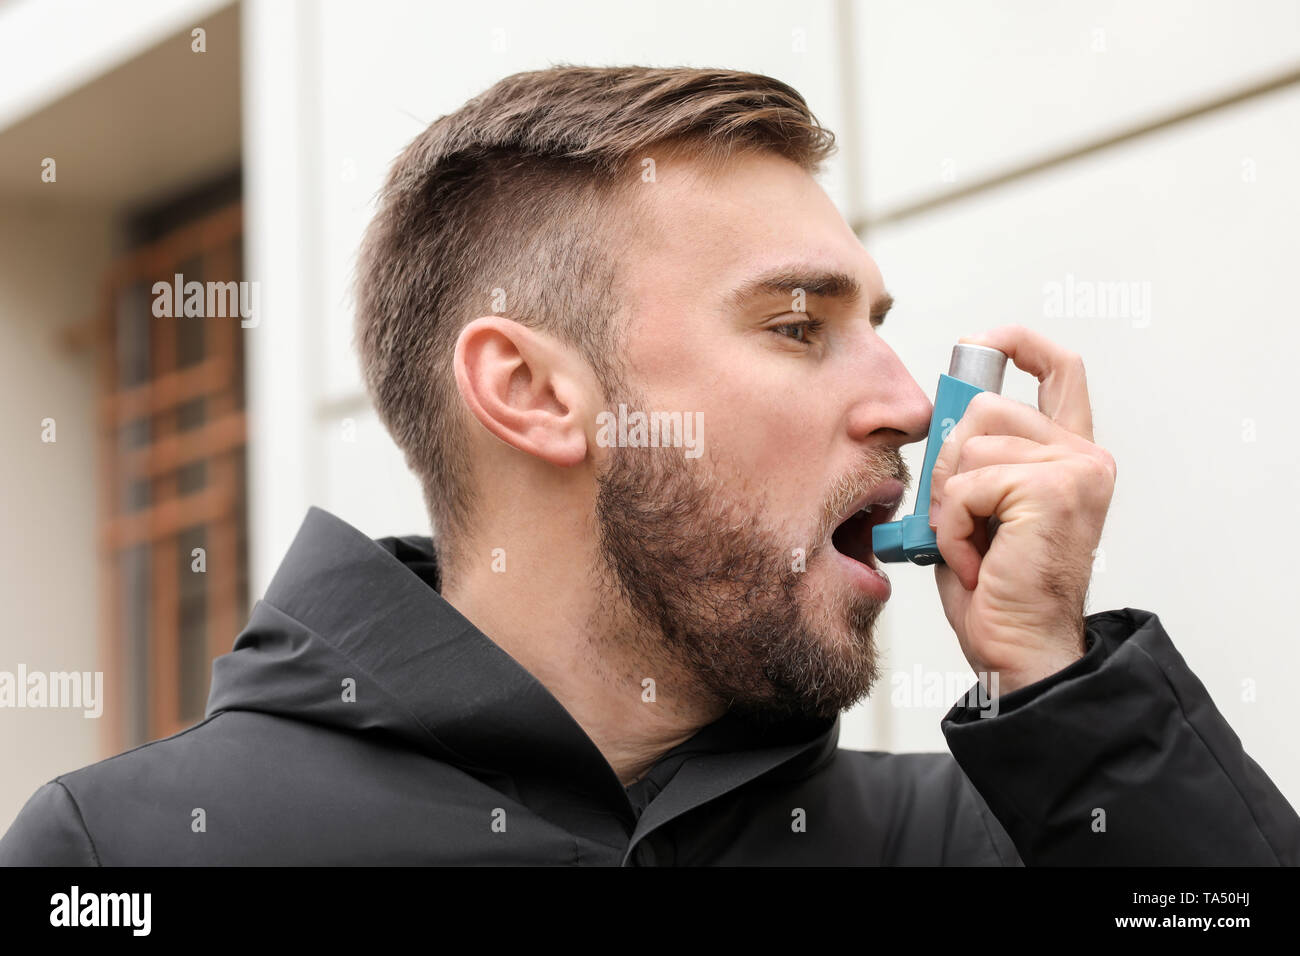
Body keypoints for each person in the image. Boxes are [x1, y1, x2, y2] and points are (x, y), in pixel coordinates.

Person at [3, 66, 1296, 865]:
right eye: (798, 326)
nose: (911, 408)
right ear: (534, 393)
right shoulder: (127, 857)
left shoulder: (984, 835)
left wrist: (1065, 693)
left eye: (884, 334)